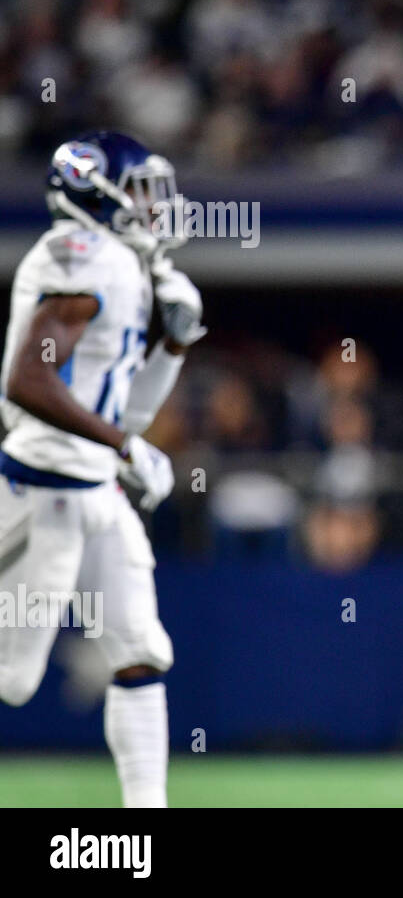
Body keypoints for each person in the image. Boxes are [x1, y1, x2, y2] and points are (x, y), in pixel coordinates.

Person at [0, 131, 206, 806]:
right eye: (143, 189)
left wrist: (172, 346)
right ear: (98, 188)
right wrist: (121, 446)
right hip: (38, 488)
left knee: (139, 646)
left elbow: (126, 409)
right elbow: (28, 380)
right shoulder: (83, 255)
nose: (157, 206)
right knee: (14, 678)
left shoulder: (120, 262)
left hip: (94, 490)